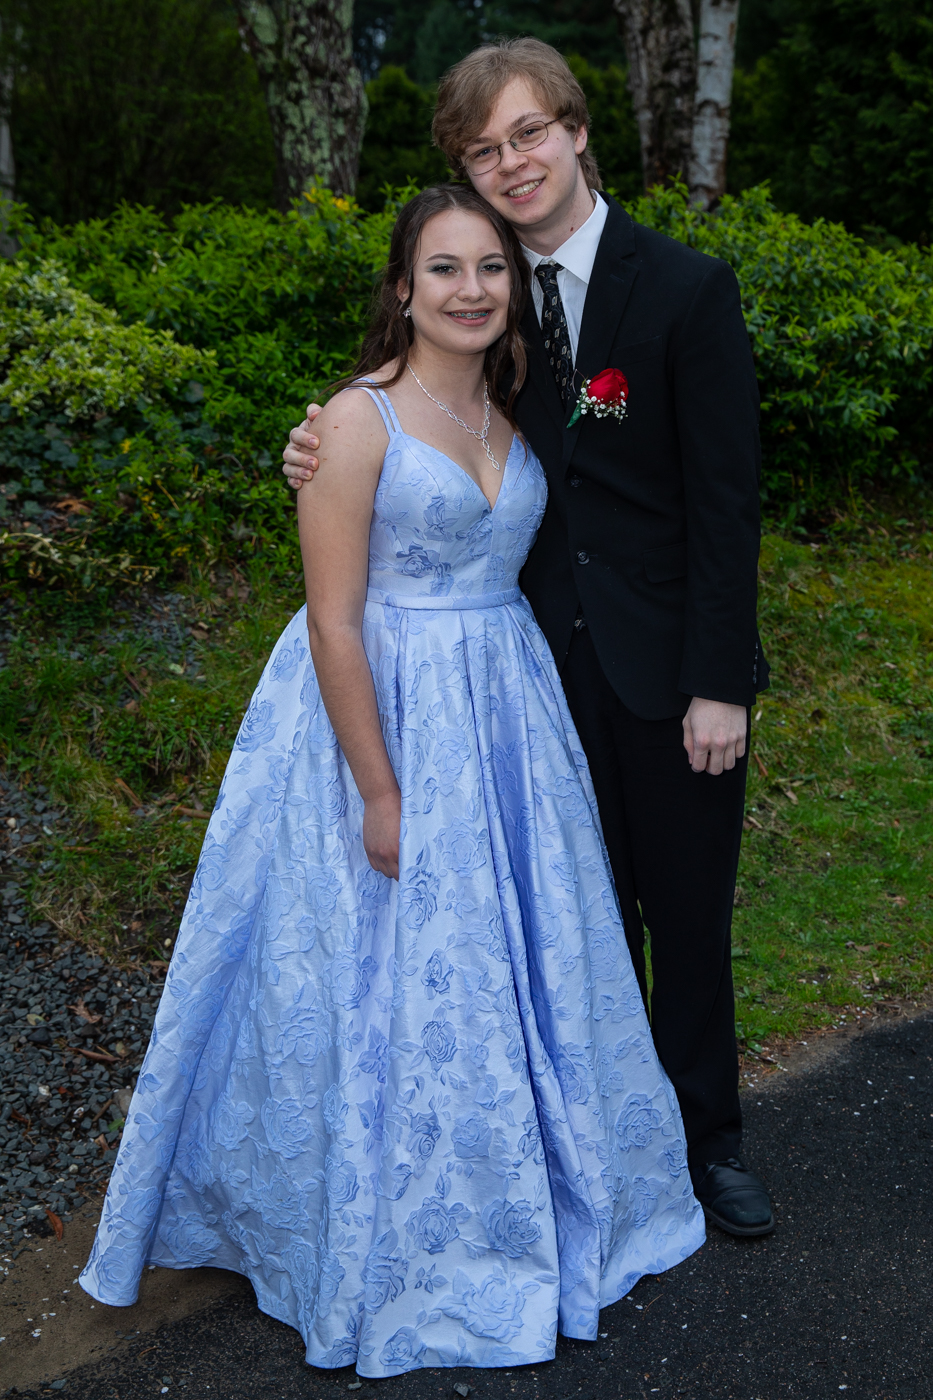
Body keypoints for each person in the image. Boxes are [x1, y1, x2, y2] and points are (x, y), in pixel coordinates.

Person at [80, 185, 704, 1378]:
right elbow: (330, 623)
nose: (470, 288)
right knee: (376, 978)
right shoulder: (356, 422)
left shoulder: (525, 411)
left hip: (506, 723)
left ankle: (524, 1193)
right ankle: (371, 1228)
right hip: (382, 715)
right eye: (443, 269)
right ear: (403, 288)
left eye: (490, 268)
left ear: (513, 288)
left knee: (509, 972)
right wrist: (379, 789)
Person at [282, 38, 774, 1238]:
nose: (511, 162)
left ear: (576, 129)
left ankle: (707, 1139)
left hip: (669, 674)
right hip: (528, 684)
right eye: (482, 148)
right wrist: (317, 440)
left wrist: (721, 678)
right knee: (569, 922)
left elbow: (726, 501)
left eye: (528, 133)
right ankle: (587, 1133)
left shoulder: (684, 291)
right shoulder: (488, 311)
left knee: (687, 911)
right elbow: (408, 427)